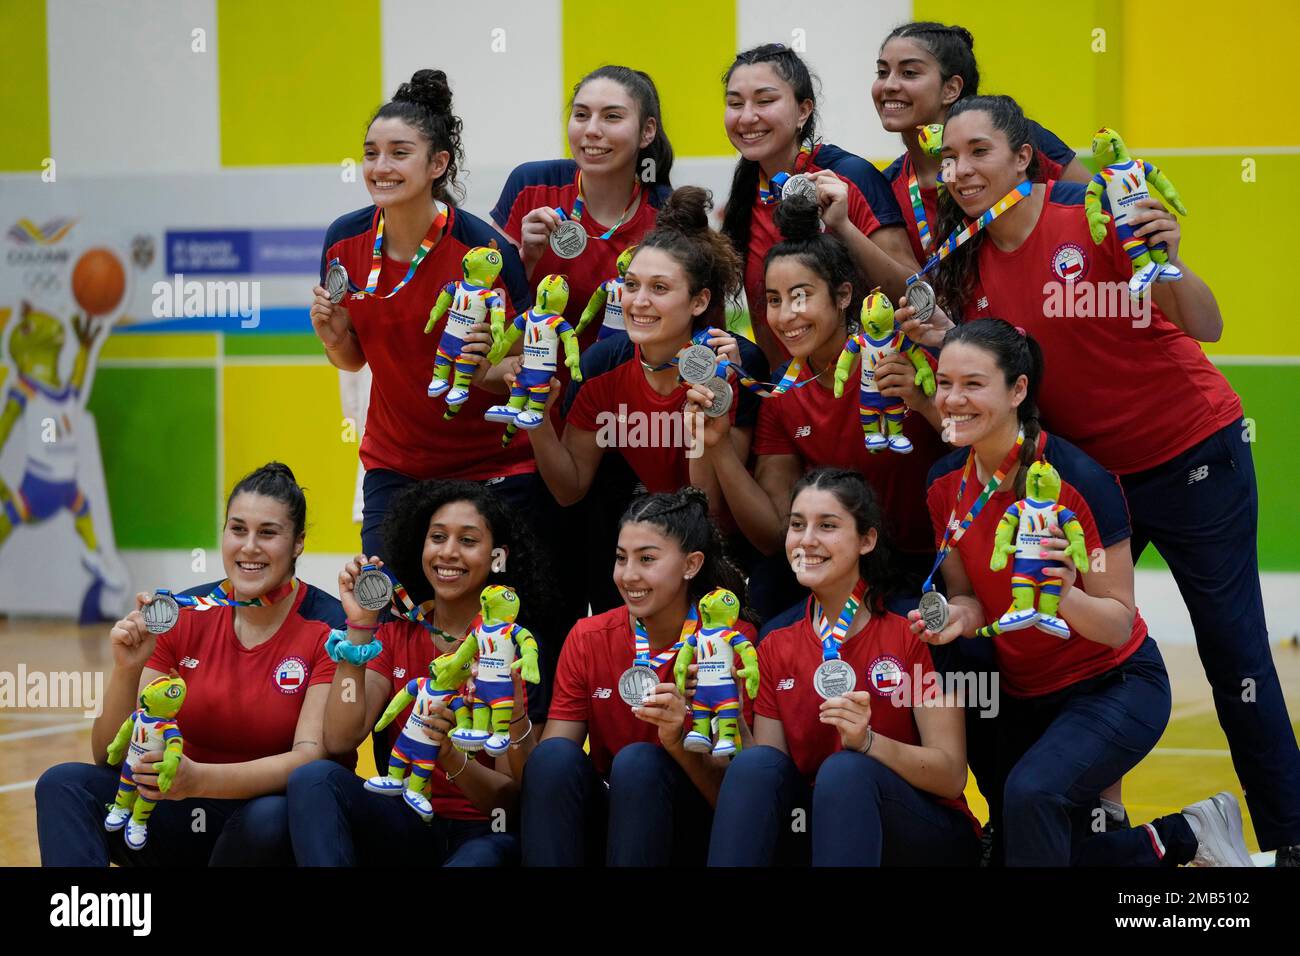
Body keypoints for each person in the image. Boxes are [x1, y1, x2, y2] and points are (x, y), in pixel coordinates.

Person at [933, 94, 1300, 864]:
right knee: (1076, 650)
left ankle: (1291, 844)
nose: (961, 170)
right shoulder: (966, 260)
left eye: (979, 153)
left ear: (1023, 156)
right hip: (1100, 484)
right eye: (950, 158)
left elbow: (1206, 324)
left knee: (1236, 661)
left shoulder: (1089, 217)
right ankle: (1125, 847)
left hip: (1194, 457)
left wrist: (1167, 254)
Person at [913, 319, 1254, 867]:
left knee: (1031, 796)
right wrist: (957, 617)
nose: (953, 399)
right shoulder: (942, 486)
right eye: (945, 382)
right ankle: (1186, 833)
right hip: (1025, 692)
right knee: (1028, 841)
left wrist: (1063, 594)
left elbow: (1117, 622)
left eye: (973, 384)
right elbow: (970, 597)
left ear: (1017, 390)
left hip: (1115, 686)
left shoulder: (1080, 481)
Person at [36, 463, 340, 866]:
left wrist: (199, 779)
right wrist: (127, 668)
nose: (249, 547)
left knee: (273, 817)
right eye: (237, 529)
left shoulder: (328, 625)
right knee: (63, 784)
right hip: (175, 807)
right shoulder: (183, 611)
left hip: (259, 824)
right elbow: (110, 756)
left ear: (298, 543)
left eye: (267, 533)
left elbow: (308, 757)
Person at [311, 68, 532, 559]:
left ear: (438, 164)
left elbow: (524, 373)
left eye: (399, 153)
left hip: (493, 466)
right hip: (395, 465)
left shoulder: (485, 251)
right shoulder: (343, 242)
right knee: (387, 607)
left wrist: (482, 372)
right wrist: (332, 338)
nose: (380, 166)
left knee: (501, 623)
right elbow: (353, 360)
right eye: (371, 153)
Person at [708, 468, 981, 866]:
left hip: (923, 830)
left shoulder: (914, 630)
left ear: (866, 540)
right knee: (754, 765)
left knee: (846, 769)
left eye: (828, 526)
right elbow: (771, 770)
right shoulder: (774, 641)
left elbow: (951, 775)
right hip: (824, 823)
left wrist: (869, 742)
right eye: (797, 525)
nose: (807, 540)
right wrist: (731, 721)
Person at [692, 193, 945, 621]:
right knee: (770, 600)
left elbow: (978, 439)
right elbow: (773, 535)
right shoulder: (782, 397)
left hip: (927, 561)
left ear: (844, 295)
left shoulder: (901, 358)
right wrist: (716, 447)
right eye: (773, 299)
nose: (786, 315)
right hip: (841, 568)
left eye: (801, 295)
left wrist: (924, 402)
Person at [287, 480, 551, 866]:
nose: (448, 552)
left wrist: (448, 755)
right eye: (438, 537)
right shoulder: (396, 634)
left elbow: (515, 801)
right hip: (405, 823)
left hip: (485, 831)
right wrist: (360, 626)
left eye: (468, 541)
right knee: (312, 780)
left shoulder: (515, 648)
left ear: (497, 557)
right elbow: (341, 737)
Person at [519, 489, 757, 866]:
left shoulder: (732, 641)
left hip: (695, 820)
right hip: (614, 815)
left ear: (691, 565)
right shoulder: (587, 636)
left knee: (639, 762)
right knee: (552, 757)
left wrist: (677, 739)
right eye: (620, 558)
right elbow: (555, 767)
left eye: (647, 559)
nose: (628, 575)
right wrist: (517, 715)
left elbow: (741, 801)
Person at [528, 186, 768, 518]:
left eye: (659, 288)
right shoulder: (601, 365)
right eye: (630, 284)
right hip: (648, 538)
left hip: (723, 544)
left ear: (699, 301)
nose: (639, 301)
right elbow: (570, 490)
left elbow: (709, 508)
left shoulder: (732, 364)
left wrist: (710, 411)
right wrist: (536, 418)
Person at [720, 43, 920, 365]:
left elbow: (914, 293)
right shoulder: (745, 198)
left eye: (765, 100)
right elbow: (764, 323)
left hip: (869, 385)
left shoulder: (849, 177)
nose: (747, 117)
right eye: (735, 103)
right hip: (793, 399)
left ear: (803, 111)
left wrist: (843, 228)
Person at [491, 64, 674, 356]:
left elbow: (677, 330)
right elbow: (489, 308)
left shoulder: (668, 215)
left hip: (614, 395)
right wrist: (524, 260)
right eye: (581, 115)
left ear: (647, 131)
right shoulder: (530, 185)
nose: (591, 130)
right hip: (526, 388)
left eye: (612, 117)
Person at [873, 21, 1090, 263]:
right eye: (882, 73)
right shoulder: (885, 188)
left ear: (951, 89)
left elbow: (1099, 209)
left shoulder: (1016, 138)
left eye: (909, 73)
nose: (889, 85)